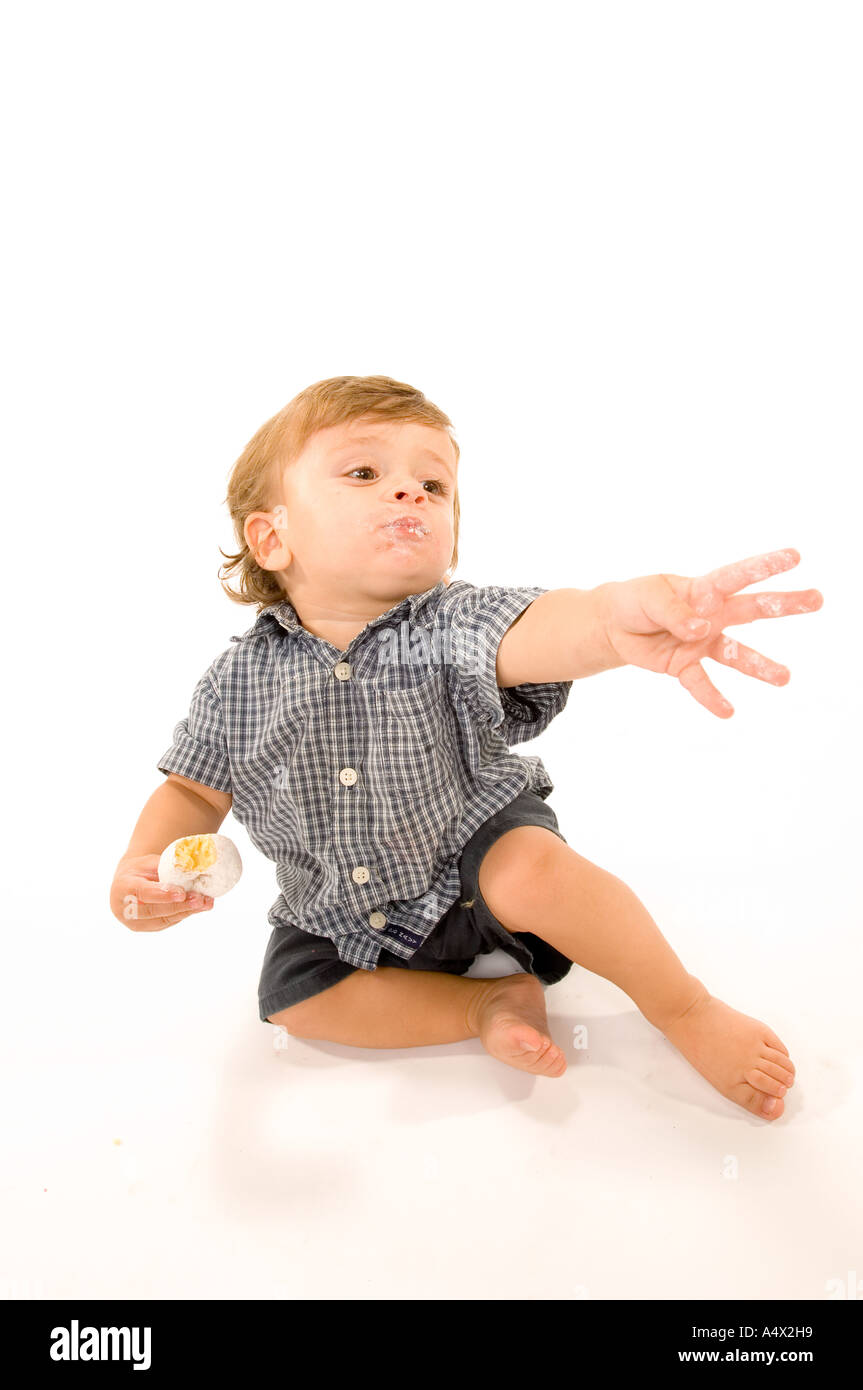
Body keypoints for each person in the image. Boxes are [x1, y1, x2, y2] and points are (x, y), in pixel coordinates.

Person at [109, 374, 824, 1119]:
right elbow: (193, 789)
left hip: (469, 852)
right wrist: (141, 866)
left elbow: (537, 630)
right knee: (296, 1002)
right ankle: (479, 1009)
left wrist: (611, 620)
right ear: (271, 536)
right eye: (364, 473)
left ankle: (683, 1006)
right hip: (341, 905)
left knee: (532, 872)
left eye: (433, 483)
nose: (410, 494)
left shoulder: (447, 623)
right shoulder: (237, 681)